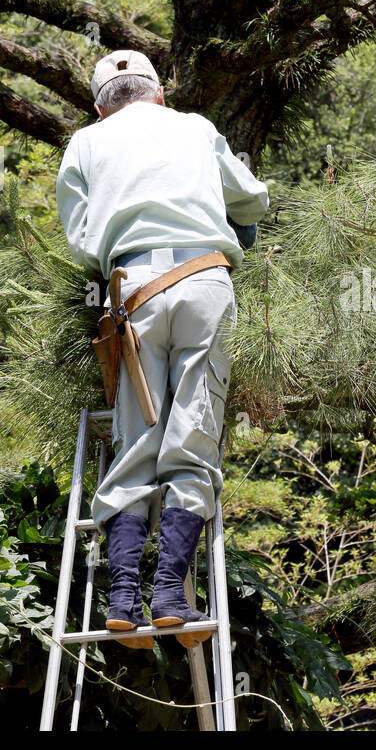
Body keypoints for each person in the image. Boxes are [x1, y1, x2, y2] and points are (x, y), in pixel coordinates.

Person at [56, 49, 269, 647]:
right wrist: (234, 219)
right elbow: (253, 198)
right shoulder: (196, 128)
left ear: (100, 108)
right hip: (204, 282)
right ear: (159, 94)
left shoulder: (85, 144)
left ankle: (122, 597)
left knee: (135, 437)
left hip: (133, 294)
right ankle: (172, 595)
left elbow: (81, 243)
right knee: (193, 434)